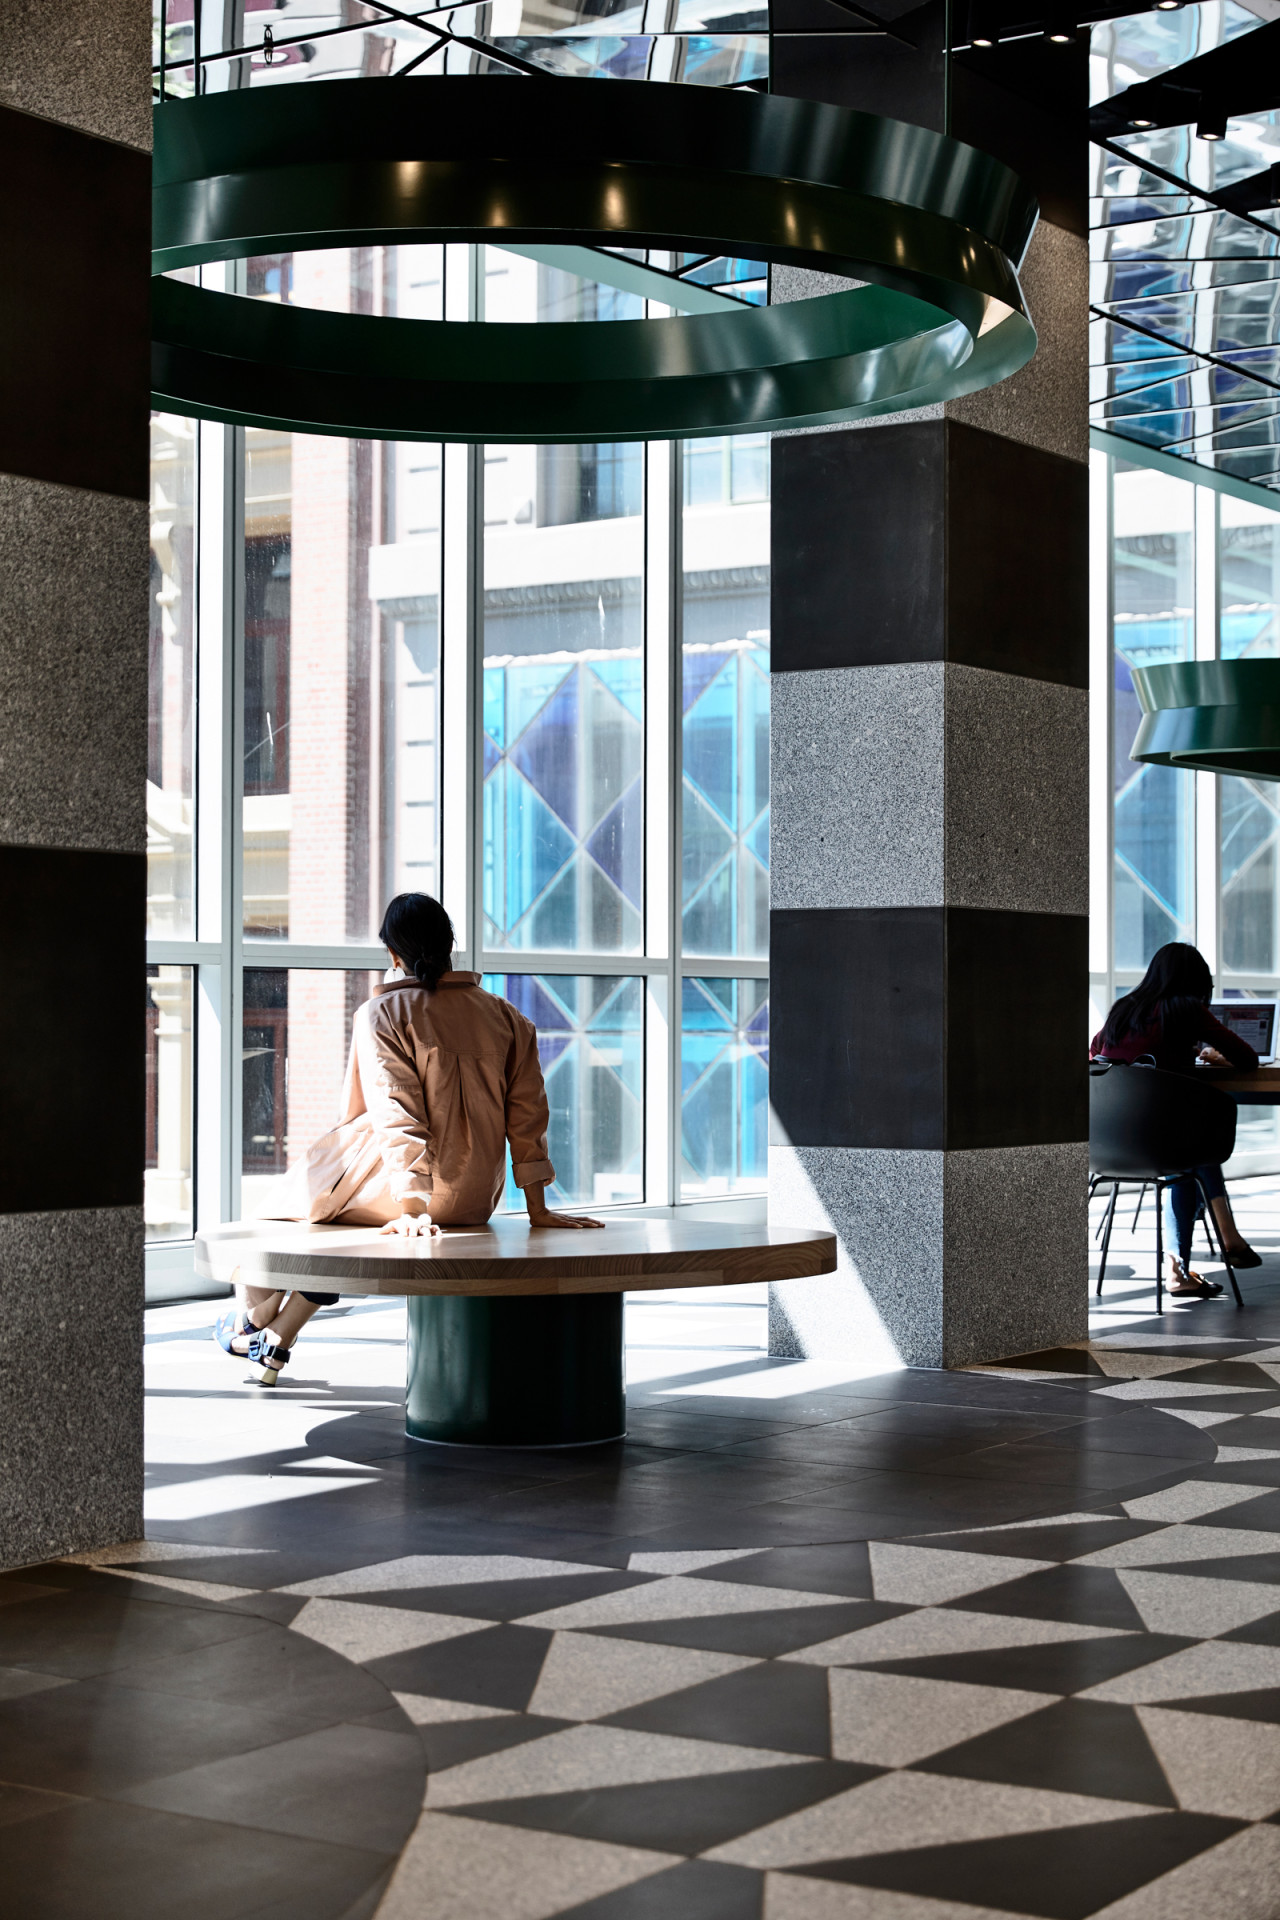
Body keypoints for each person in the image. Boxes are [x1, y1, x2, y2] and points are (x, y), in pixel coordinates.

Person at [217, 891, 602, 1383]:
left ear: (394, 955)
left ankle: (249, 1323)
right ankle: (276, 1344)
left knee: (270, 1218)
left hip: (408, 1196)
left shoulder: (382, 1014)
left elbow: (396, 1115)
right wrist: (537, 1209)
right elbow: (529, 1118)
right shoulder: (509, 1018)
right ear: (450, 945)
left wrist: (414, 1209)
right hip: (474, 1199)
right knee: (327, 1227)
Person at [1090, 941, 1262, 1298]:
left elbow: (1095, 1053)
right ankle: (1183, 1267)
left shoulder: (1124, 1008)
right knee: (1193, 1151)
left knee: (1193, 1141)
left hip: (1106, 1142)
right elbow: (1247, 1059)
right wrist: (1212, 1057)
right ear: (1197, 982)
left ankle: (1223, 1241)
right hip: (1161, 1142)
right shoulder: (1187, 1009)